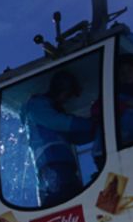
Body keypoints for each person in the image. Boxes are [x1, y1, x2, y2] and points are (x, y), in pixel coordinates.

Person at [21, 70, 97, 206]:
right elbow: (60, 122)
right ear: (61, 89)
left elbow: (74, 136)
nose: (66, 99)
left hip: (64, 166)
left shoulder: (53, 111)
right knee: (62, 201)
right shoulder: (37, 105)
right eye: (67, 95)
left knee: (75, 199)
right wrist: (91, 123)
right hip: (51, 166)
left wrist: (97, 130)